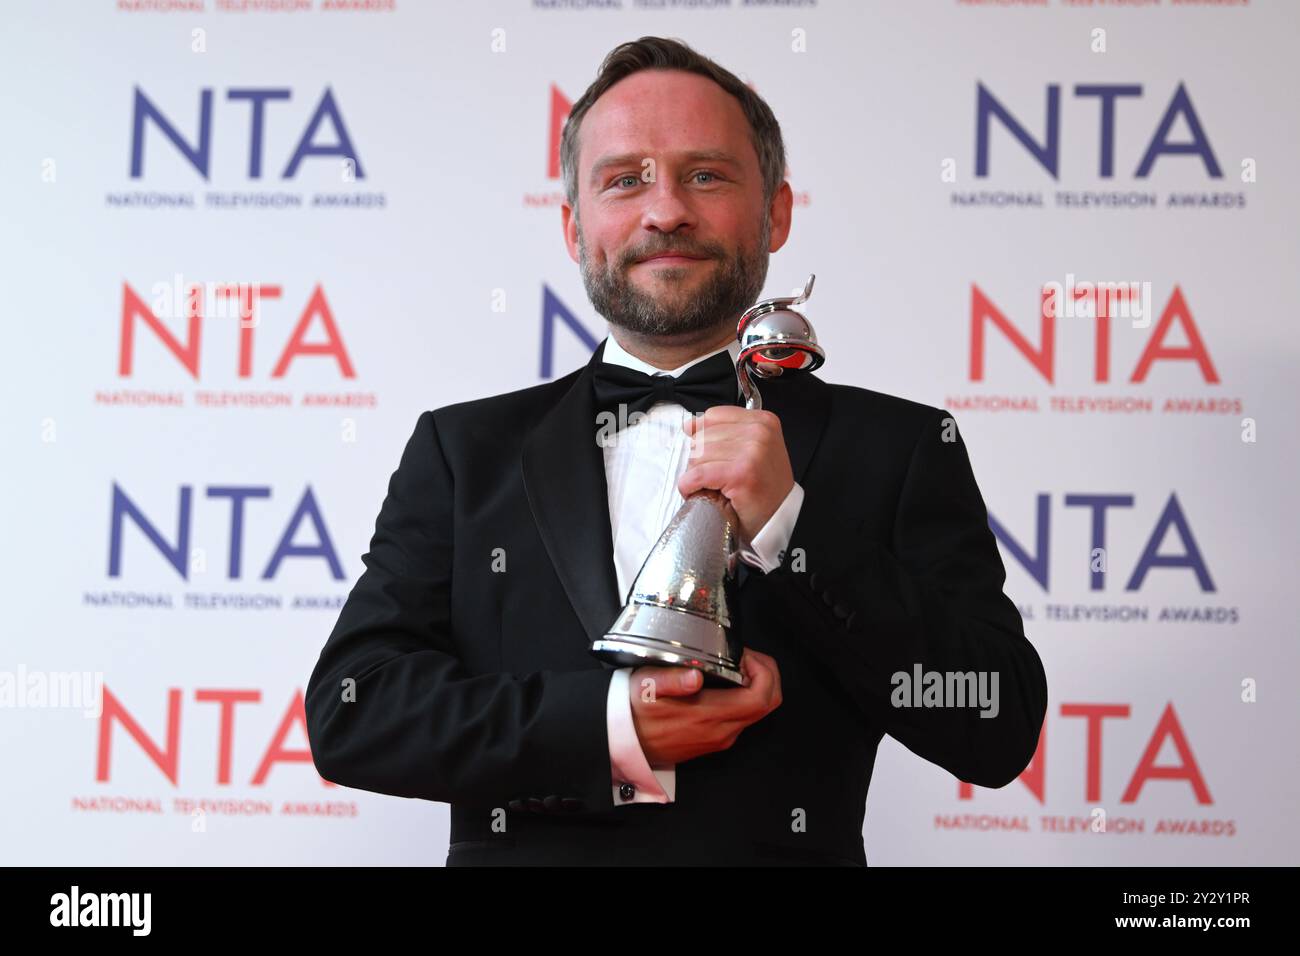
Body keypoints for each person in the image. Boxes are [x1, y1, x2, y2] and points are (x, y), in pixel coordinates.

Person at [304, 36, 1048, 867]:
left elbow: (996, 724)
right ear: (573, 225)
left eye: (705, 175)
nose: (665, 212)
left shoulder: (901, 446)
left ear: (776, 212)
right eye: (625, 180)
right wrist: (608, 725)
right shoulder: (463, 449)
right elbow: (354, 711)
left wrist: (793, 529)